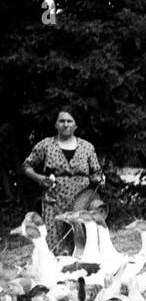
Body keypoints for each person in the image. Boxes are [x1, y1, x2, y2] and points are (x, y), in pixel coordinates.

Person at [22, 108, 104, 254]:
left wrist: (99, 179)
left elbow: (97, 173)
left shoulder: (87, 147)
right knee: (55, 246)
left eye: (69, 121)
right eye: (62, 121)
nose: (65, 124)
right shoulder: (46, 145)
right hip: (54, 202)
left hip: (81, 202)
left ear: (76, 125)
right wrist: (40, 179)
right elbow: (26, 166)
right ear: (56, 124)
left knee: (83, 243)